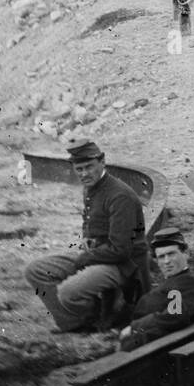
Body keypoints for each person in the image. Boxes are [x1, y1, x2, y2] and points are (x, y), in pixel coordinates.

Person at [23, 141, 148, 333]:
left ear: (102, 162)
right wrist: (86, 244)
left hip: (125, 265)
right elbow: (90, 223)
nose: (84, 174)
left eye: (89, 167)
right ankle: (76, 324)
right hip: (100, 255)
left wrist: (85, 258)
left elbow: (121, 250)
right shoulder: (91, 187)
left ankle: (99, 318)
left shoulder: (119, 195)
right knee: (36, 271)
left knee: (67, 292)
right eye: (79, 169)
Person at [117, 228, 194, 352]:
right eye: (161, 257)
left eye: (171, 254)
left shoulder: (187, 282)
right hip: (149, 341)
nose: (166, 261)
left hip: (154, 347)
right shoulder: (174, 281)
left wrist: (134, 327)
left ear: (185, 253)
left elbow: (174, 315)